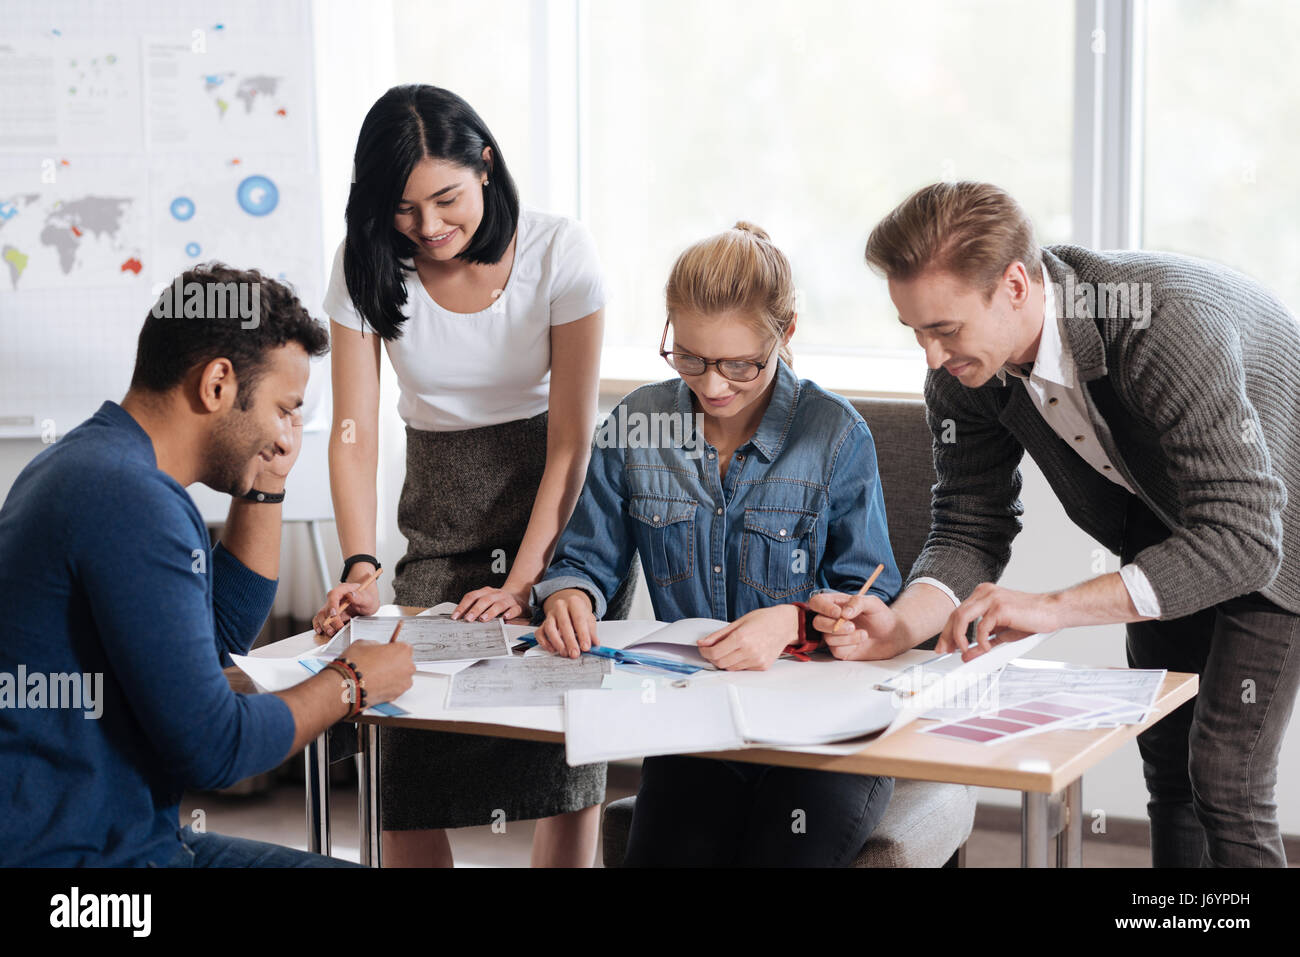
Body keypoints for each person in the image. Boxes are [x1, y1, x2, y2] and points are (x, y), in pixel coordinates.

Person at [812, 180, 1300, 867]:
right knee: (1165, 753)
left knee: (1225, 773)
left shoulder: (1160, 324)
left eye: (945, 328)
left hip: (1278, 523)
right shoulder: (962, 375)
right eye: (915, 330)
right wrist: (899, 624)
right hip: (1179, 518)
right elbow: (968, 524)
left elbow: (1248, 538)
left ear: (1015, 284)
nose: (929, 354)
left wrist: (1052, 607)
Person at [0, 264, 415, 867]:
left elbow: (212, 639)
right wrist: (351, 682)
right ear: (218, 383)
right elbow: (215, 748)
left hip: (125, 836)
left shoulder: (92, 464)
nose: (284, 432)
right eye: (283, 407)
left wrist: (267, 479)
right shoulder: (131, 500)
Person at [533, 223, 901, 866]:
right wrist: (570, 592)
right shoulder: (640, 422)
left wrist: (793, 623)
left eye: (740, 364)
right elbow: (585, 557)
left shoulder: (835, 433)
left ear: (784, 335)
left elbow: (874, 597)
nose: (713, 386)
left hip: (824, 738)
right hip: (697, 728)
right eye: (690, 358)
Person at [312, 84, 609, 867]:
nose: (430, 228)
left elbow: (574, 441)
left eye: (445, 200)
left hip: (556, 511)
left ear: (485, 163)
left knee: (562, 755)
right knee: (408, 746)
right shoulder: (365, 260)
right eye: (404, 210)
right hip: (438, 515)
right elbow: (353, 432)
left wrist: (531, 580)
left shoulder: (559, 251)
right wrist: (359, 563)